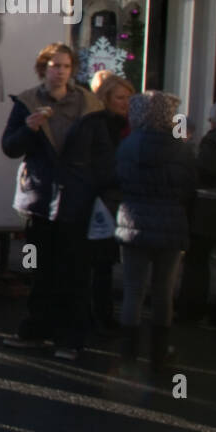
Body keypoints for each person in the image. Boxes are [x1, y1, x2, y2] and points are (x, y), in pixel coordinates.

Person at [1, 43, 103, 351]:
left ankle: (70, 338)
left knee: (74, 271)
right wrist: (29, 129)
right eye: (54, 65)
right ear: (42, 68)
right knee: (40, 269)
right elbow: (9, 147)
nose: (59, 72)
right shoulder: (28, 101)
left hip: (76, 198)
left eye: (65, 66)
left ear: (72, 70)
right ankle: (36, 330)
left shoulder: (88, 104)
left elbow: (102, 152)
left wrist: (97, 191)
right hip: (40, 198)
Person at [115, 91, 198, 379]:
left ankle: (128, 355)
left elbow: (117, 181)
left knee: (133, 291)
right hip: (170, 224)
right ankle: (159, 356)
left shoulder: (127, 145)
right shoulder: (180, 150)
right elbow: (190, 187)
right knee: (163, 293)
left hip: (133, 222)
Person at [59, 72, 134, 345]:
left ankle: (100, 315)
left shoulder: (128, 127)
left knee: (104, 263)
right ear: (106, 98)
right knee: (94, 263)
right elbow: (84, 164)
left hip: (115, 203)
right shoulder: (94, 125)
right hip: (95, 204)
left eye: (129, 98)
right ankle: (90, 317)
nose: (126, 103)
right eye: (120, 98)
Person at [177, 100, 216, 328]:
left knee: (197, 262)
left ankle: (191, 311)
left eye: (211, 120)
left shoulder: (215, 139)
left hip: (210, 211)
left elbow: (205, 172)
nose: (209, 124)